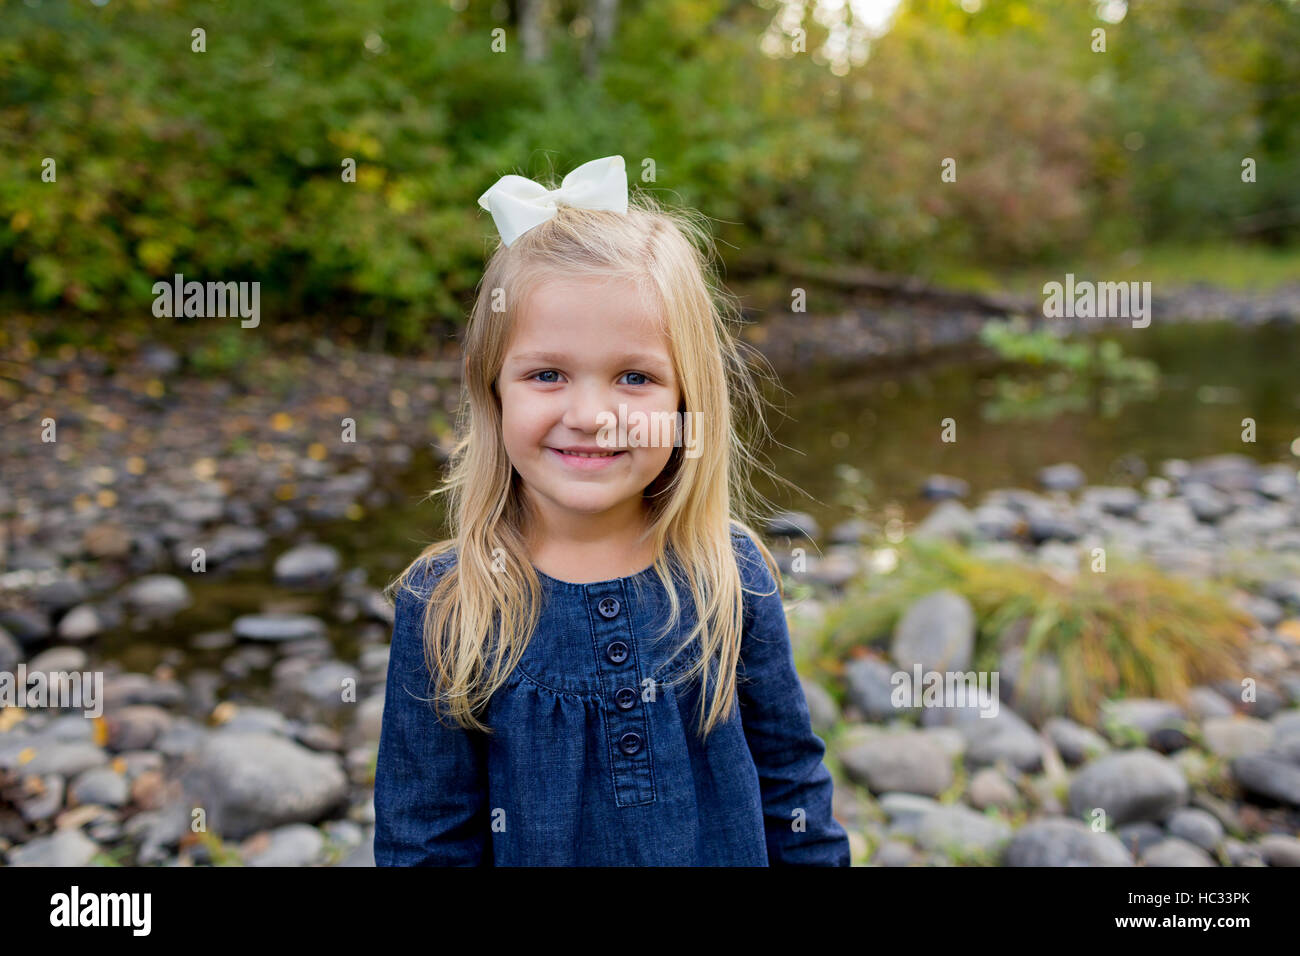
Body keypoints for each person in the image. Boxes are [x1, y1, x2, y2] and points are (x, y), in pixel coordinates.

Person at [373, 155, 851, 866]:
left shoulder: (730, 576)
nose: (591, 415)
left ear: (687, 400)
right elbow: (425, 841)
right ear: (493, 391)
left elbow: (794, 794)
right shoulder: (449, 604)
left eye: (634, 377)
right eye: (547, 374)